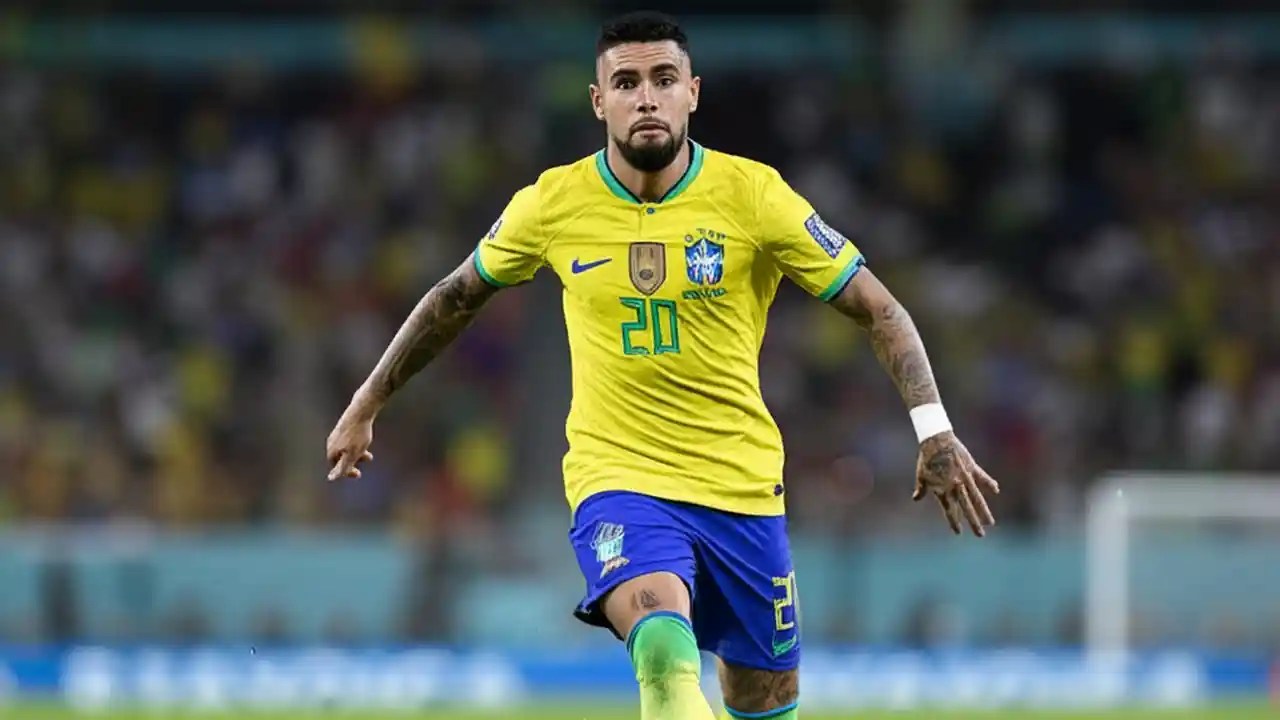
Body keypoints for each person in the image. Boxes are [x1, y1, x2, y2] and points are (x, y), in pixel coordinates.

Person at [326, 11, 999, 720]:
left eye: (663, 79)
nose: (645, 97)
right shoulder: (553, 203)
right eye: (626, 83)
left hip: (741, 490)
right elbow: (453, 298)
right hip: (620, 481)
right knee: (661, 650)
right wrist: (367, 401)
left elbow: (881, 310)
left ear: (692, 93)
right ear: (599, 101)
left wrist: (934, 429)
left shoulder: (754, 196)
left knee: (764, 702)